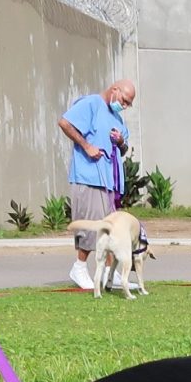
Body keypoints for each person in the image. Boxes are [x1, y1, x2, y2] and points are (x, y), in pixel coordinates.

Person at [59, 79, 135, 289]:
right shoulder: (91, 104)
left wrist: (120, 141)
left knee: (110, 230)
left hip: (109, 182)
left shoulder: (117, 118)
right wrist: (87, 146)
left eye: (129, 104)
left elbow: (124, 148)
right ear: (115, 90)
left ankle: (109, 274)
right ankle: (79, 268)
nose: (125, 106)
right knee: (91, 227)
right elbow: (65, 123)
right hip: (88, 177)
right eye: (124, 100)